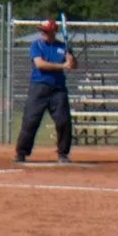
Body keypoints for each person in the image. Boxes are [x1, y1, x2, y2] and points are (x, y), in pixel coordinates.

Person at [14, 18, 76, 164]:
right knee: (30, 120)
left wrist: (71, 60)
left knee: (63, 121)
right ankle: (21, 153)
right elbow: (40, 64)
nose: (43, 33)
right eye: (42, 30)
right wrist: (63, 66)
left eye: (46, 31)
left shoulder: (63, 47)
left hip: (58, 89)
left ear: (53, 32)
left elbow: (73, 65)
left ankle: (63, 154)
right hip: (39, 87)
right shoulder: (36, 45)